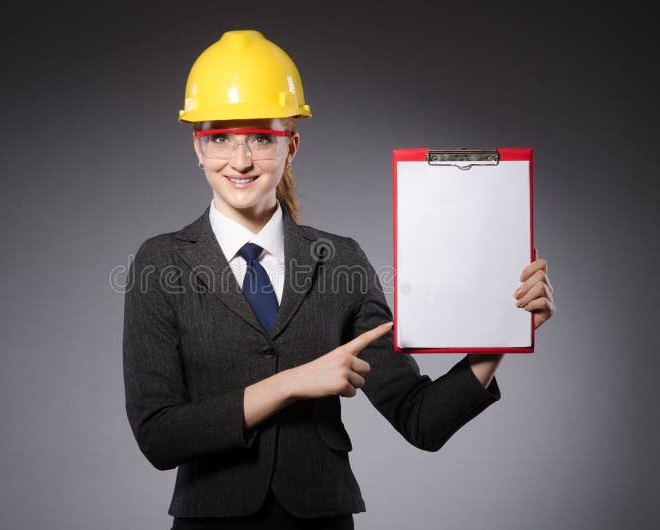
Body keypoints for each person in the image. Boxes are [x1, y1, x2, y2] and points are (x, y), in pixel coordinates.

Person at [122, 30, 555, 530]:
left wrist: (501, 331)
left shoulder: (339, 262)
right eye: (219, 137)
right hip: (210, 519)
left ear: (292, 144)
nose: (239, 161)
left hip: (321, 519)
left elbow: (422, 420)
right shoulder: (161, 263)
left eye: (262, 138)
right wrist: (292, 384)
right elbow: (160, 435)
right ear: (197, 147)